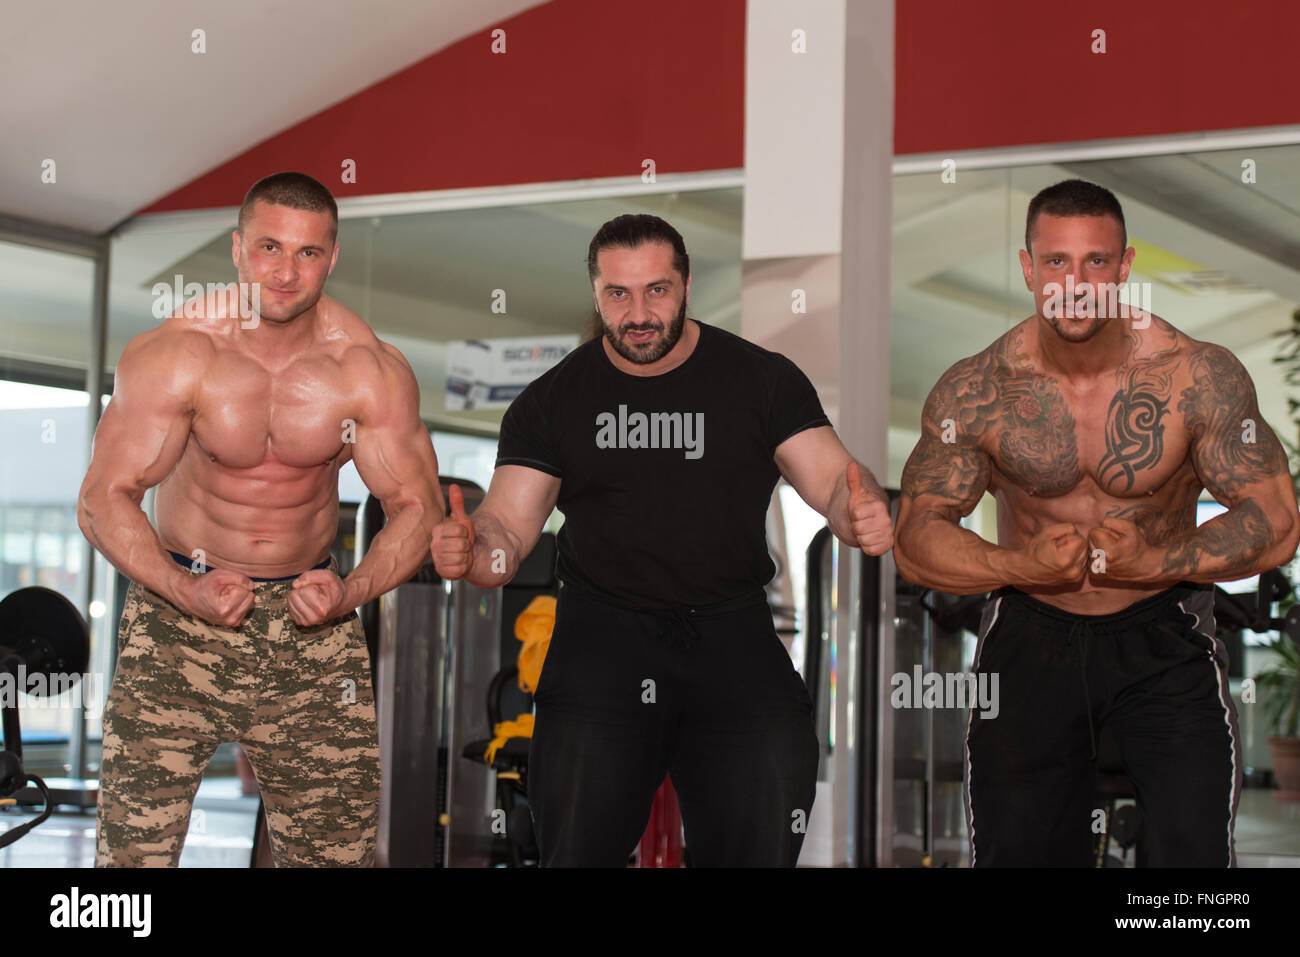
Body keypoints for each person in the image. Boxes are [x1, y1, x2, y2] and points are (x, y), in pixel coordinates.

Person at [430, 213, 893, 866]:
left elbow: (835, 482)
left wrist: (859, 509)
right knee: (577, 853)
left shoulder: (760, 379)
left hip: (731, 638)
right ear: (595, 292)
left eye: (657, 290)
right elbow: (507, 528)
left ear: (686, 284)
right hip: (603, 643)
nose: (639, 312)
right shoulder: (553, 401)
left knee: (761, 833)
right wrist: (473, 552)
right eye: (618, 293)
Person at [894, 179, 1300, 867]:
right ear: (1027, 268)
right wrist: (1015, 566)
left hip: (1162, 632)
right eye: (1055, 262)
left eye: (1096, 263)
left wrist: (1161, 559)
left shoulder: (1197, 376)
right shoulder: (978, 389)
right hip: (1030, 633)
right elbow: (916, 534)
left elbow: (1278, 518)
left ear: (1126, 266)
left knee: (1191, 864)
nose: (1074, 283)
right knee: (1015, 852)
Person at [78, 171, 441, 866]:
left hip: (313, 627)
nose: (285, 271)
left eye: (308, 253)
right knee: (130, 861)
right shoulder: (176, 355)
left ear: (332, 259)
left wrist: (352, 592)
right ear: (239, 249)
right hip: (177, 618)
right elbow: (103, 497)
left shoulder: (368, 370)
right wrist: (182, 589)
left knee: (338, 858)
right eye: (270, 248)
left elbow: (416, 508)